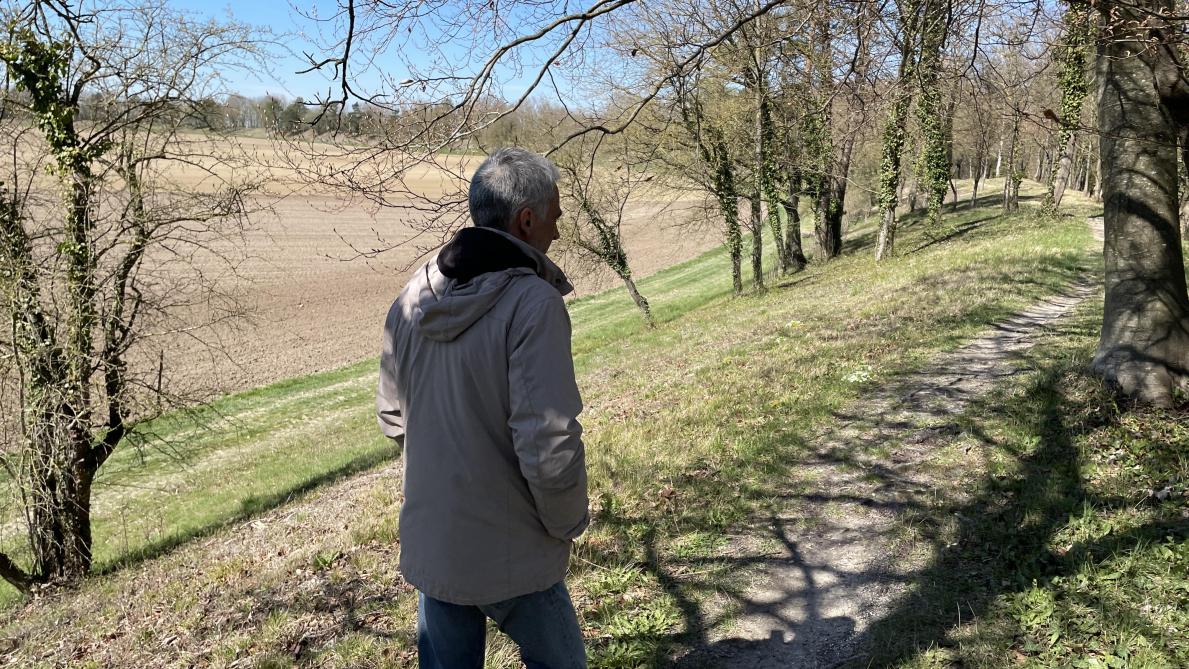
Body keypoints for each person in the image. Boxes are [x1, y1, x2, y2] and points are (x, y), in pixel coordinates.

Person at [376, 147, 589, 669]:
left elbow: (392, 416)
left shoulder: (409, 299)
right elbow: (549, 442)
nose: (557, 233)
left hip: (435, 542)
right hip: (512, 547)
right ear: (526, 220)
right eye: (555, 218)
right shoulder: (534, 304)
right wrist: (567, 523)